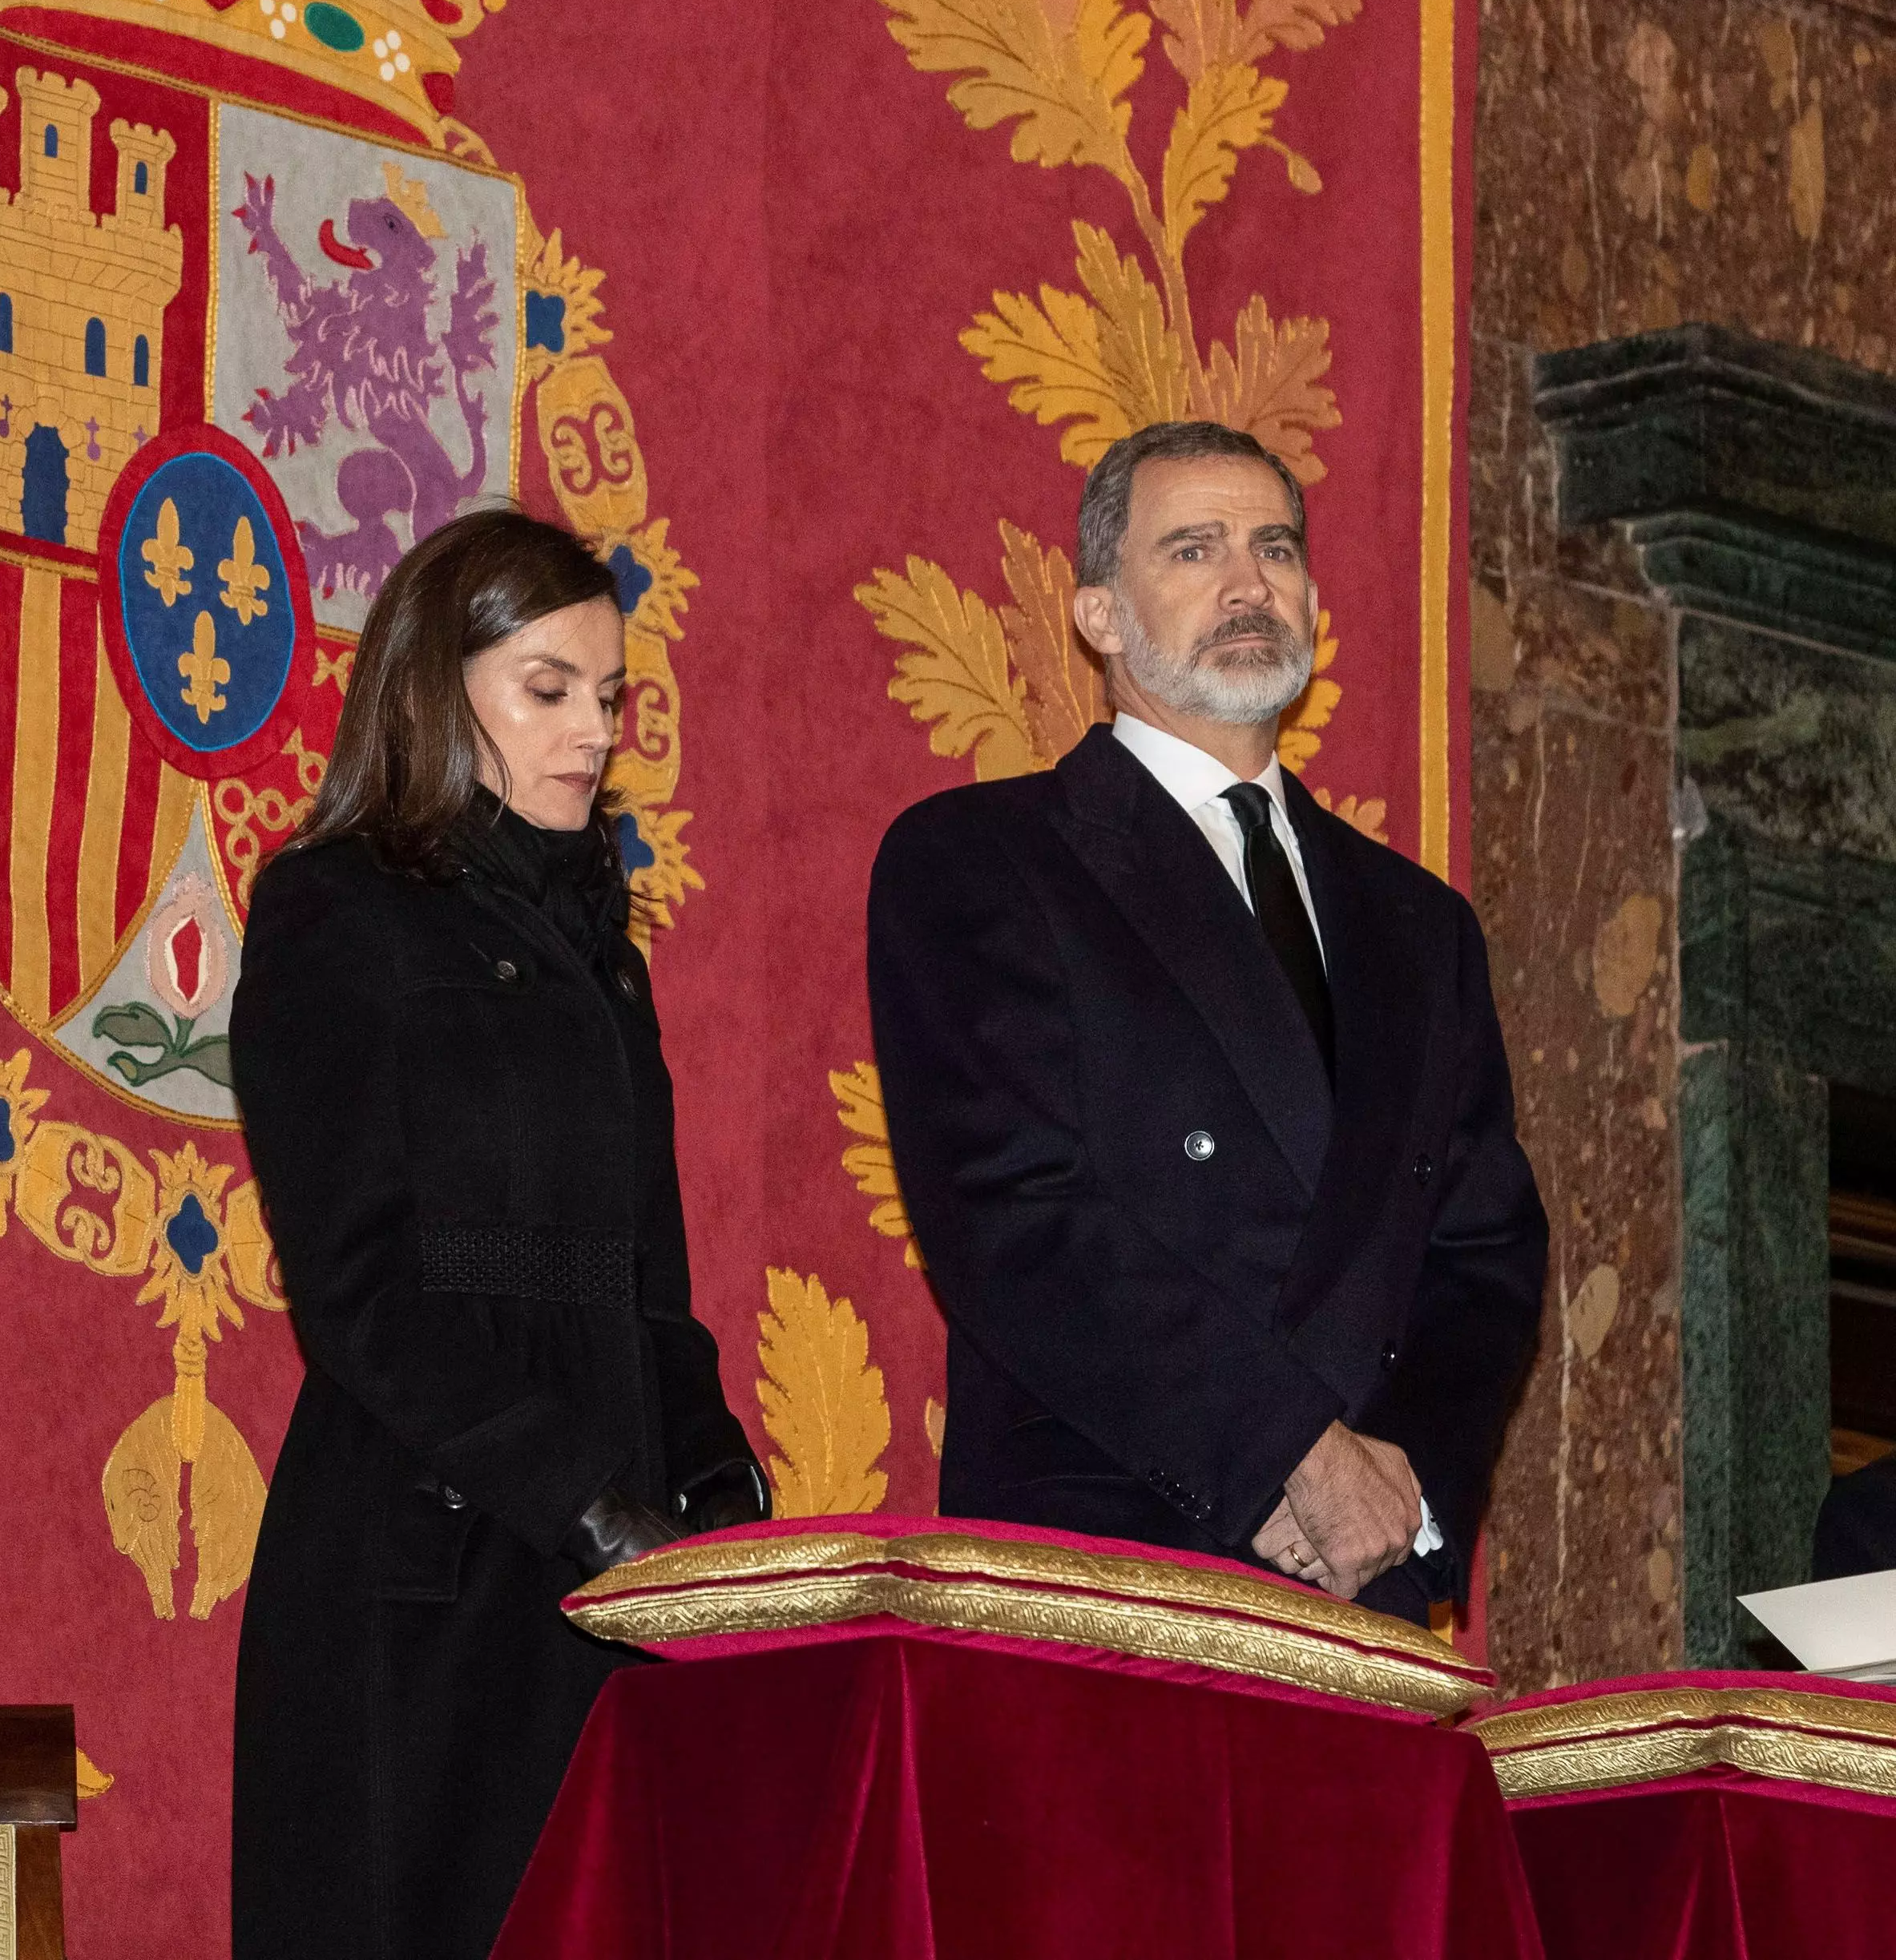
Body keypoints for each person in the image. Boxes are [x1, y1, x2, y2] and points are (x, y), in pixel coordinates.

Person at [870, 420, 1547, 1622]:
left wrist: (1403, 1492)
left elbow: (1481, 1251)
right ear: (1099, 614)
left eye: (1274, 548)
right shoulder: (981, 862)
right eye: (1191, 550)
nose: (1248, 584)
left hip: (1361, 1584)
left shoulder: (1416, 923)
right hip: (1111, 1565)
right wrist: (1291, 1451)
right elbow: (1017, 1221)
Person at [229, 506, 761, 1960]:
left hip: (618, 1565)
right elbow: (357, 1297)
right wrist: (585, 1503)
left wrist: (719, 1498)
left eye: (609, 698)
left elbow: (654, 1286)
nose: (590, 731)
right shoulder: (330, 910)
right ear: (430, 691)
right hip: (426, 1558)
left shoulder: (605, 950)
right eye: (548, 691)